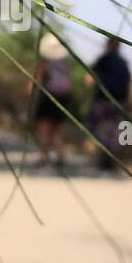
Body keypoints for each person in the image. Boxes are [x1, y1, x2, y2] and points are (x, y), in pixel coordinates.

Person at [30, 33, 74, 169]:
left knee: (44, 127)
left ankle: (43, 156)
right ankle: (60, 155)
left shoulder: (46, 63)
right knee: (57, 128)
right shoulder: (65, 63)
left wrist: (31, 93)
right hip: (64, 98)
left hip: (49, 97)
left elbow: (36, 81)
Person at [88, 36, 132, 170]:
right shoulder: (123, 63)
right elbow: (129, 83)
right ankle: (109, 156)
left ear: (107, 45)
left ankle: (104, 155)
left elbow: (89, 80)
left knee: (96, 126)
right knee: (114, 130)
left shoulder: (102, 60)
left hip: (102, 101)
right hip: (119, 102)